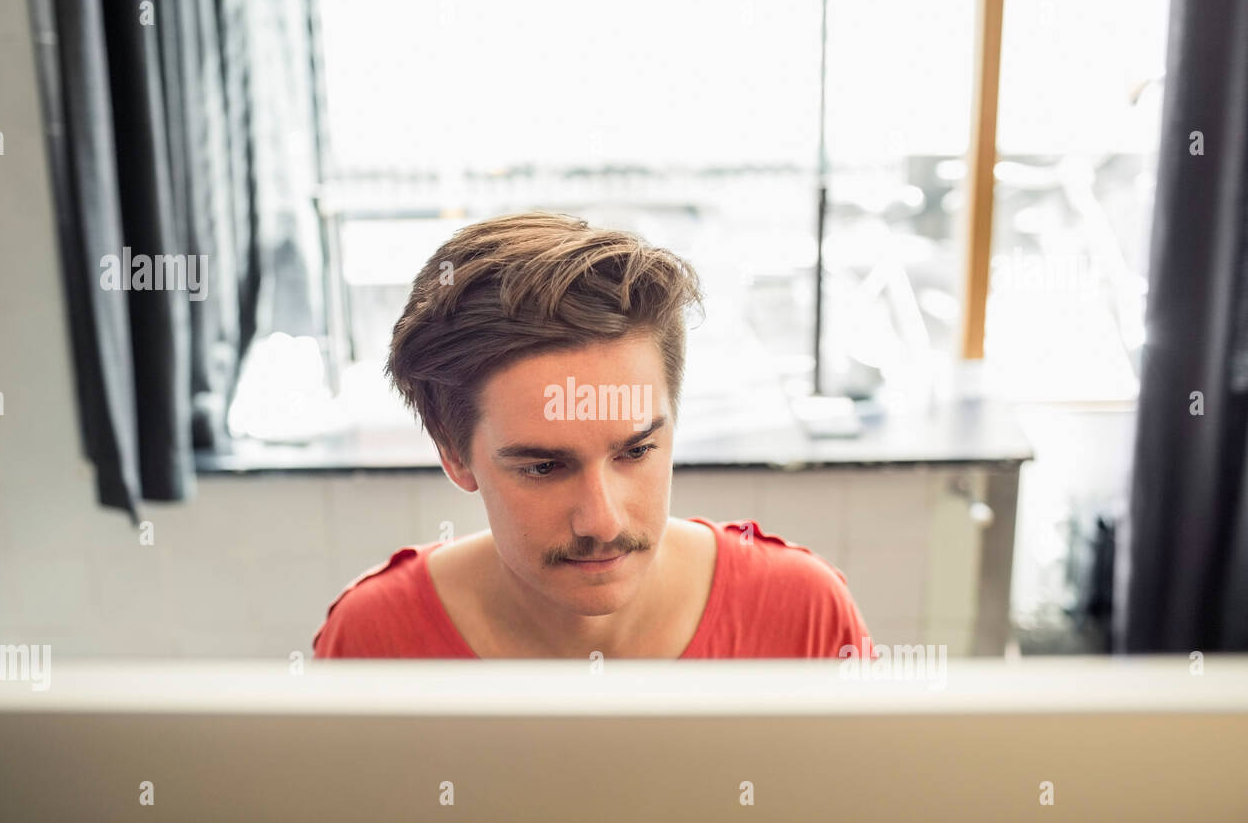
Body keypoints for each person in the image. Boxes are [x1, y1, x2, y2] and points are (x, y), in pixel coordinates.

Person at [313, 211, 874, 659]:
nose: (602, 522)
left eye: (636, 451)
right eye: (543, 467)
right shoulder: (373, 638)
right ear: (452, 451)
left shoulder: (804, 615)